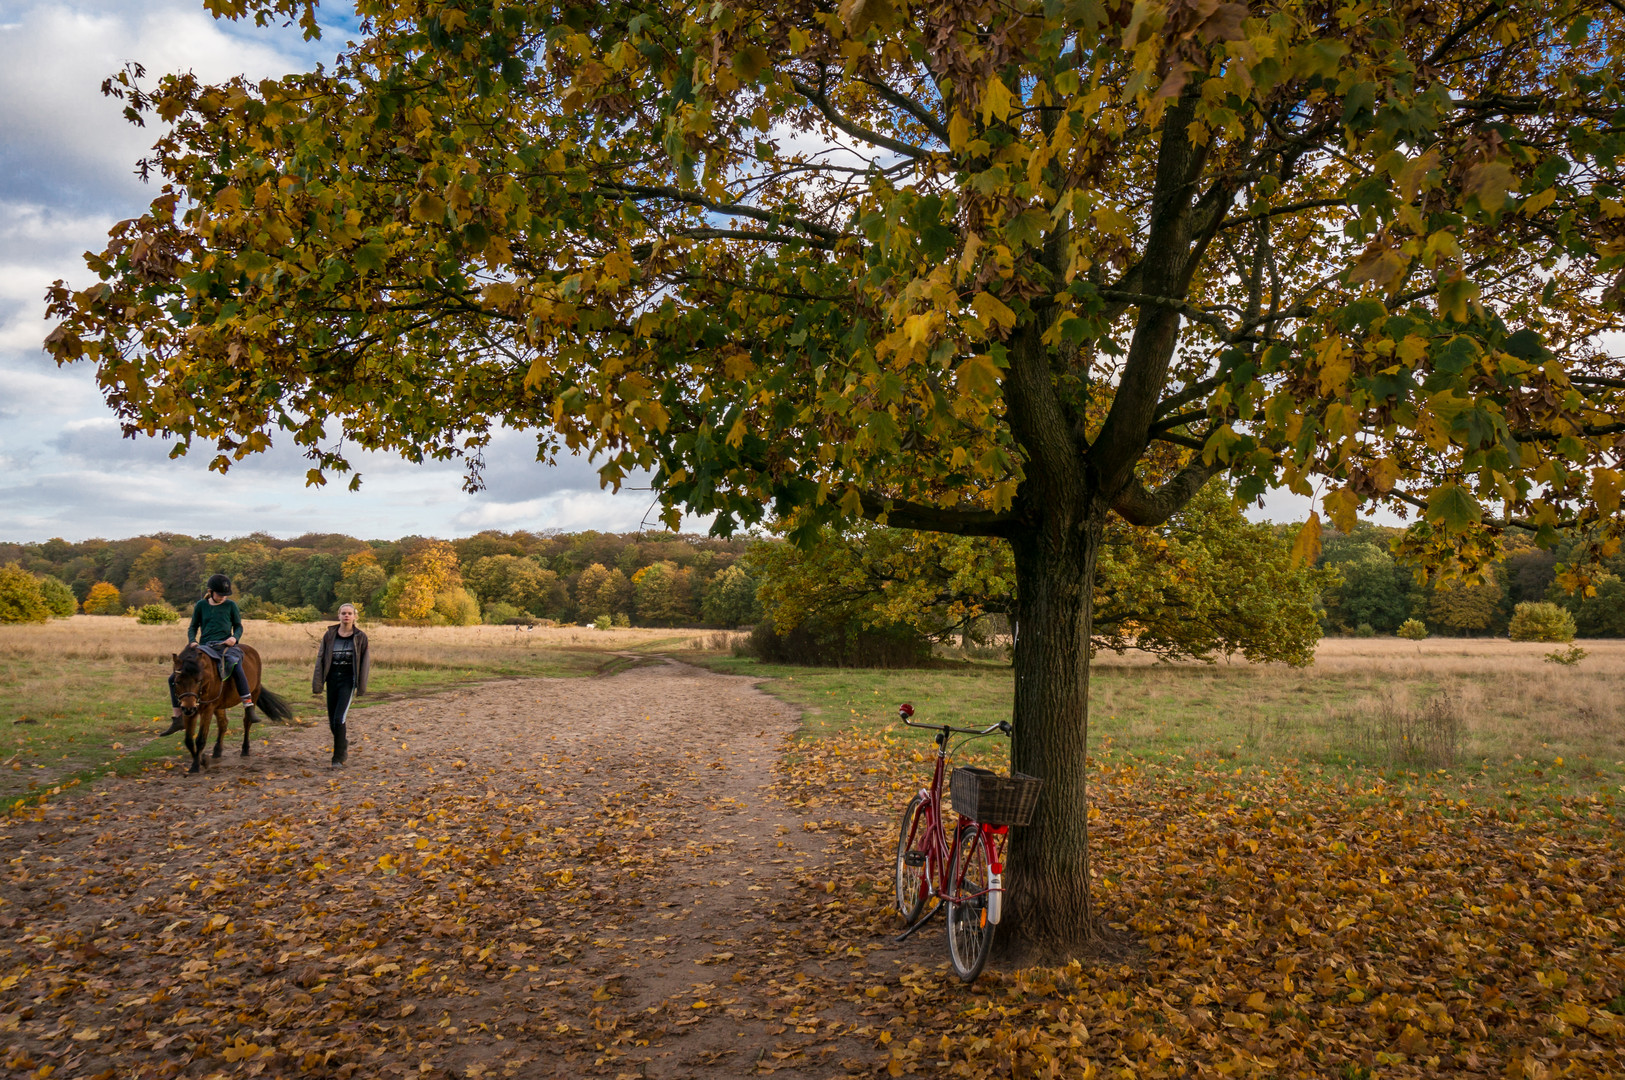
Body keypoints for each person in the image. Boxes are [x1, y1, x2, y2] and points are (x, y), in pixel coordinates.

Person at [163, 573, 252, 735]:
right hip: (204, 647)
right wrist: (193, 640)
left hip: (225, 645)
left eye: (225, 595)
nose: (223, 597)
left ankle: (248, 704)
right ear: (210, 592)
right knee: (173, 677)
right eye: (219, 594)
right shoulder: (201, 606)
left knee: (236, 665)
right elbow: (193, 627)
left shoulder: (231, 606)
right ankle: (178, 718)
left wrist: (234, 637)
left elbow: (238, 626)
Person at [312, 603, 369, 767]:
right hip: (332, 680)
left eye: (350, 613)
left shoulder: (360, 637)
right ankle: (342, 744)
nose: (346, 616)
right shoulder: (329, 635)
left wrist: (361, 686)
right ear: (338, 615)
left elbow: (365, 663)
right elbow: (321, 658)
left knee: (339, 718)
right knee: (332, 721)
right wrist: (318, 683)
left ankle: (337, 758)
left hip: (348, 680)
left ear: (354, 616)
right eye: (343, 613)